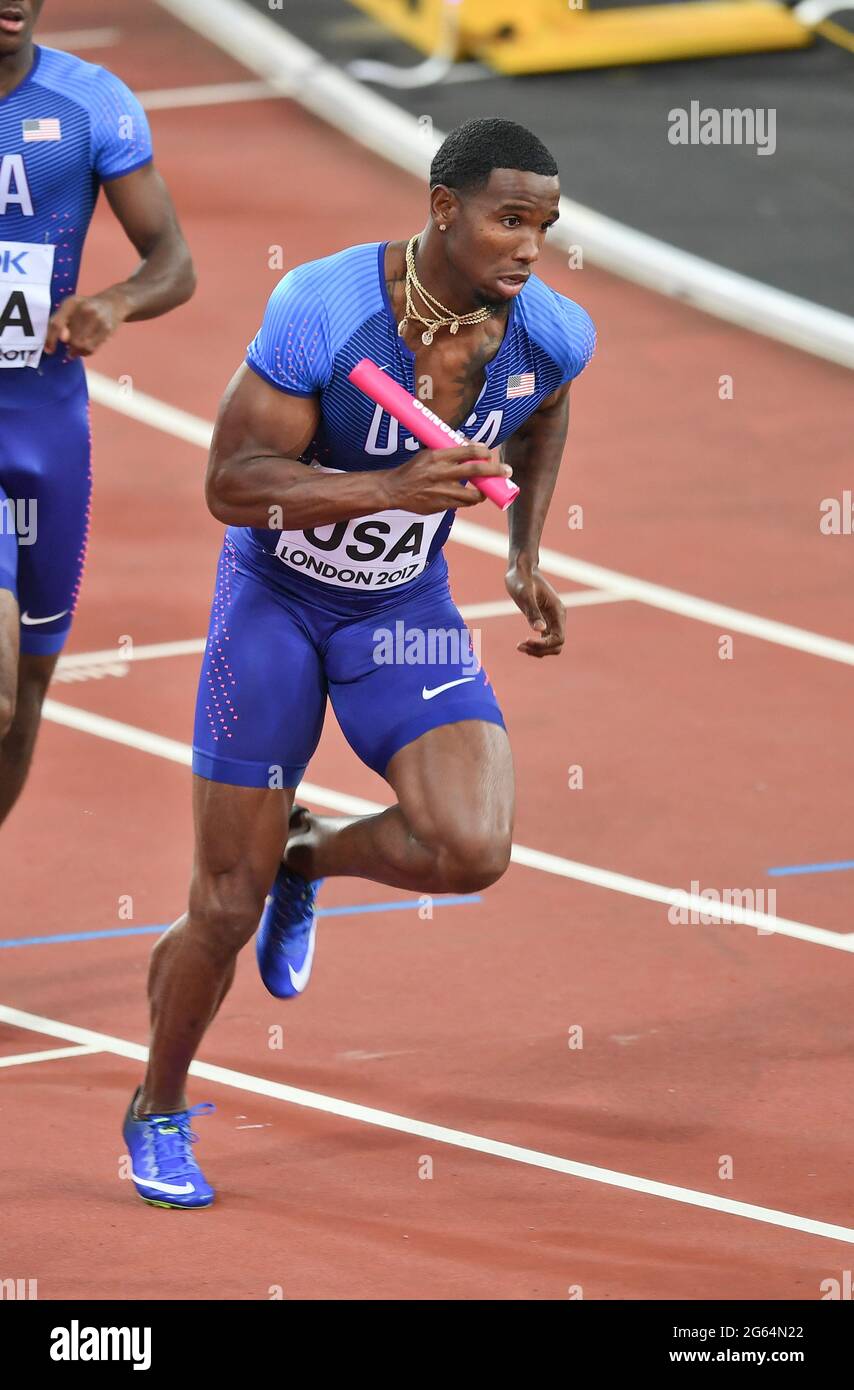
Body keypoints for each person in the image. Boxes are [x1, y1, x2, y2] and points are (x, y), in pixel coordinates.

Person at [123, 117, 595, 1208]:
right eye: (508, 219)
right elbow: (233, 484)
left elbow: (543, 414)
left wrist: (524, 556)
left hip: (403, 609)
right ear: (443, 209)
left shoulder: (549, 334)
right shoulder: (325, 310)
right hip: (276, 606)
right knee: (222, 907)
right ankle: (157, 1106)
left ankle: (312, 858)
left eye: (546, 226)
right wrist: (389, 491)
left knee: (471, 844)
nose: (530, 247)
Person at [0, 0, 195, 825]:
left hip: (44, 425)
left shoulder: (91, 103)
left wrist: (115, 302)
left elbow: (174, 263)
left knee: (23, 695)